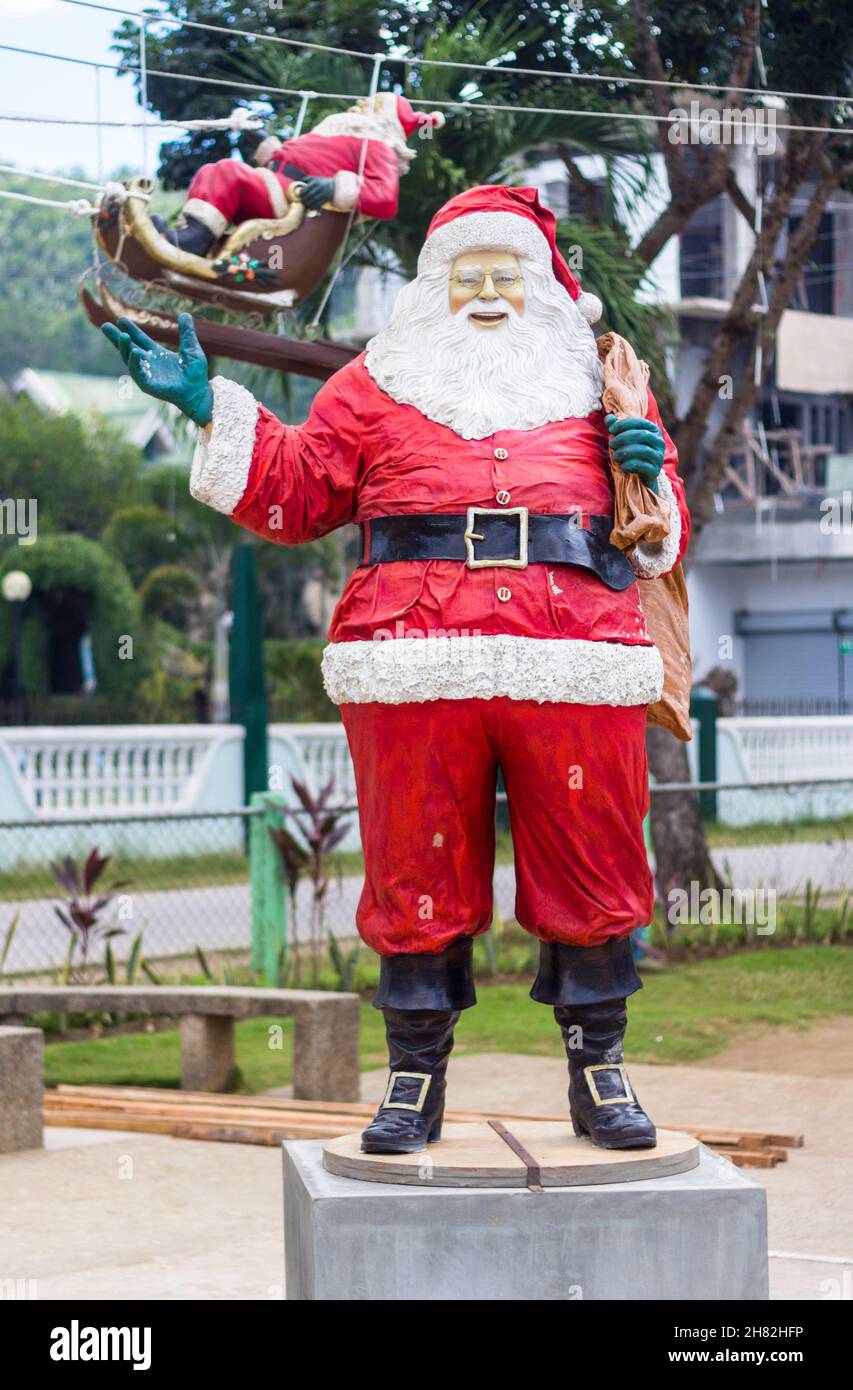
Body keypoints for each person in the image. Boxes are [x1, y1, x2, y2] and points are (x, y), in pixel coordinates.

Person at [103, 184, 689, 1155]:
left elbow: (656, 535)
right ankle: (413, 1074)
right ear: (433, 285)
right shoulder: (374, 385)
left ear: (543, 285)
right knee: (413, 871)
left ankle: (600, 1066)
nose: (488, 291)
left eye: (507, 272)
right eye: (469, 273)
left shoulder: (606, 386)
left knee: (595, 862)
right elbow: (299, 493)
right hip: (411, 659)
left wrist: (649, 476)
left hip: (575, 652)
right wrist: (210, 409)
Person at [150, 93, 445, 256]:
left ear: (385, 120)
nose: (360, 105)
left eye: (372, 105)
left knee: (227, 171)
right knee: (211, 170)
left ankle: (194, 241)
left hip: (292, 202)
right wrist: (259, 136)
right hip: (273, 182)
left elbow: (385, 198)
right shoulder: (331, 133)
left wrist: (334, 188)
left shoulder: (376, 144)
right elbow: (286, 157)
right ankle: (190, 231)